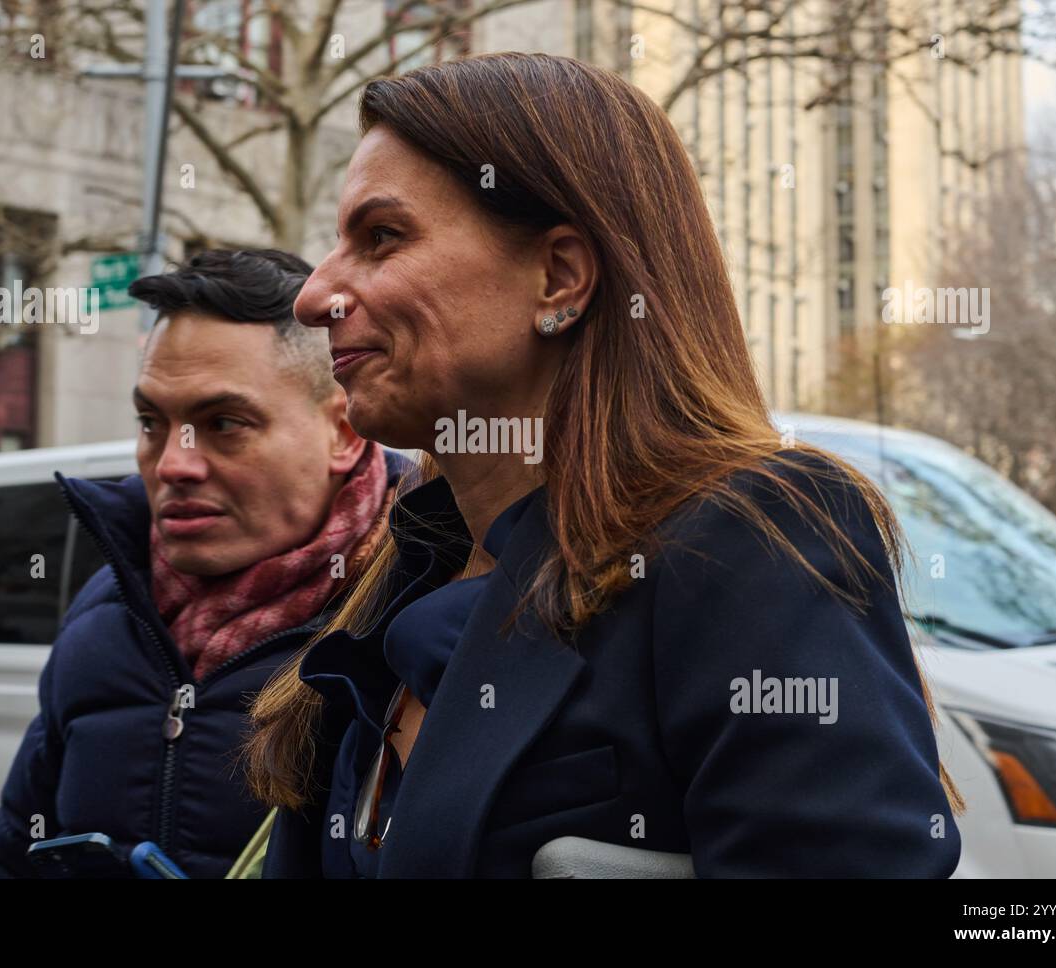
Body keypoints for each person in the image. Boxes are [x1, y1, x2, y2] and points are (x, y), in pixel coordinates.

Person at [245, 53, 965, 879]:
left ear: (559, 277)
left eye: (382, 237)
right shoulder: (400, 585)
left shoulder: (746, 538)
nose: (313, 296)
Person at [0, 249, 410, 877]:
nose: (173, 464)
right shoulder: (104, 609)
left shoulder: (416, 619)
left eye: (224, 423)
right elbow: (7, 855)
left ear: (342, 433)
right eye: (152, 422)